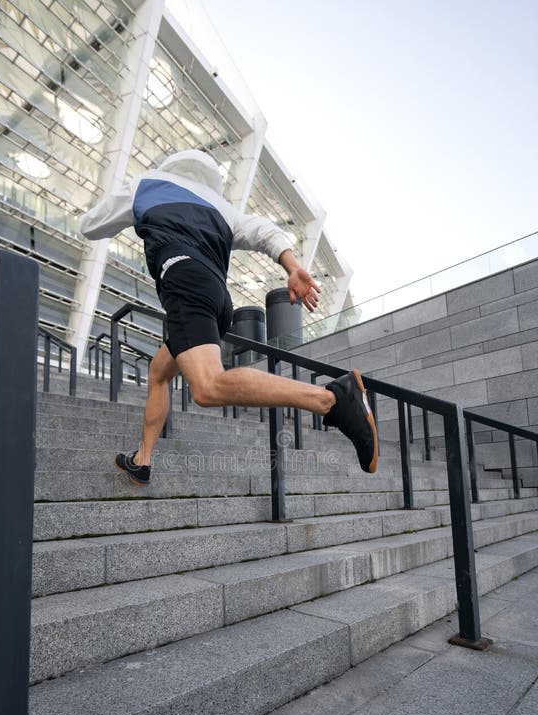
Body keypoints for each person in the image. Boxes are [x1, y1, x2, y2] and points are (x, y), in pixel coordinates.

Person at [79, 149, 378, 484]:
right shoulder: (223, 208)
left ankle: (332, 398)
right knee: (159, 373)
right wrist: (293, 268)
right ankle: (142, 459)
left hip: (183, 281)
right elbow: (264, 231)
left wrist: (129, 212)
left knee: (206, 388)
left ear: (171, 167)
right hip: (218, 300)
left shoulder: (148, 183)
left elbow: (91, 225)